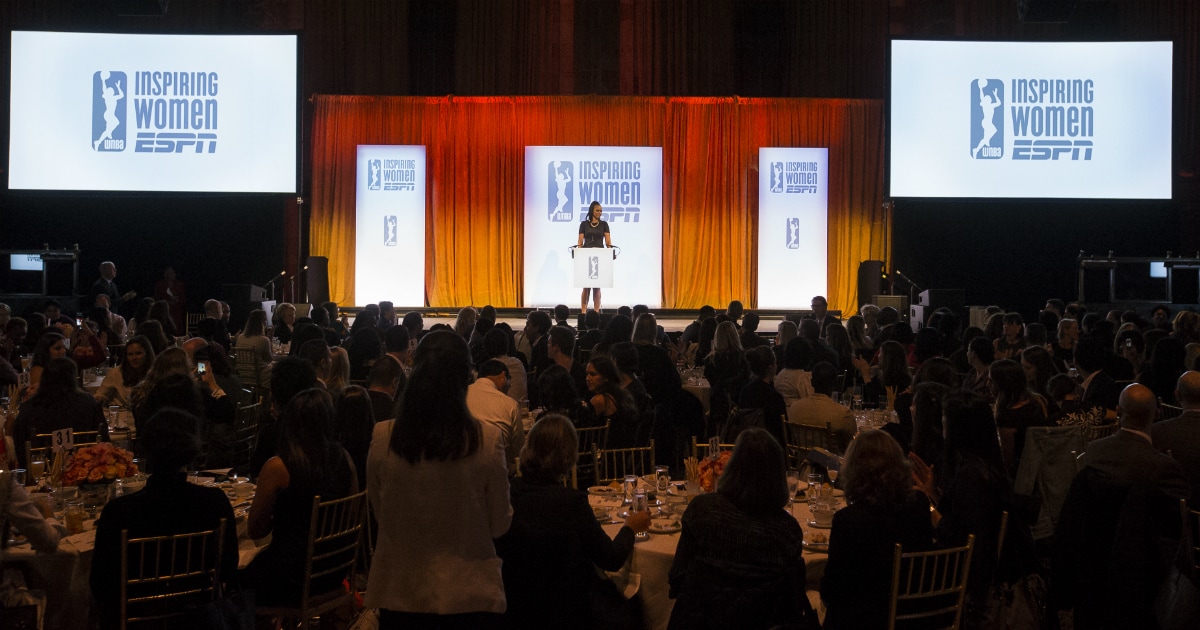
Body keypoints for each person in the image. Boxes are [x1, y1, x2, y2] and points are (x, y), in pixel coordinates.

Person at [365, 331, 512, 628]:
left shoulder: (383, 436)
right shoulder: (487, 440)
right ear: (465, 378)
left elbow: (380, 513)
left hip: (400, 592)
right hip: (468, 593)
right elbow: (500, 524)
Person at [494, 415, 649, 629]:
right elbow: (611, 558)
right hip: (566, 610)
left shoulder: (507, 493)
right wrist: (631, 527)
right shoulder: (571, 503)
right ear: (568, 456)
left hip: (516, 604)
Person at [90, 408, 239, 629]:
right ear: (193, 450)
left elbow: (99, 585)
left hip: (135, 620)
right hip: (196, 619)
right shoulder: (215, 503)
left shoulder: (118, 512)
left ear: (146, 450)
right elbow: (228, 568)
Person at [667, 428, 816, 629]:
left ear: (732, 467)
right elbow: (790, 604)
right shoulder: (788, 532)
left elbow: (677, 580)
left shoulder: (701, 511)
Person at [243, 388, 357, 607]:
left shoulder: (278, 467)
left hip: (291, 575)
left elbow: (255, 529)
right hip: (334, 569)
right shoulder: (345, 459)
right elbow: (351, 516)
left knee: (234, 582)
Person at [822, 430, 935, 629]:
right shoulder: (919, 506)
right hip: (916, 617)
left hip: (865, 621)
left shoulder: (847, 520)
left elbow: (832, 591)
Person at [13, 357, 106, 466]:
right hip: (83, 466)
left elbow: (20, 445)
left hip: (40, 468)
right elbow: (103, 439)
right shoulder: (88, 403)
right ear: (72, 378)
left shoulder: (29, 407)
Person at [467, 359, 524, 472]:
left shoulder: (462, 394)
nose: (510, 386)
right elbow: (517, 450)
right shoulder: (510, 404)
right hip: (497, 472)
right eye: (509, 381)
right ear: (503, 376)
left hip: (463, 470)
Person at [586, 355, 639, 448]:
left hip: (606, 452)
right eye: (587, 374)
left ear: (606, 377)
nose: (588, 378)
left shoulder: (600, 400)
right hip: (624, 449)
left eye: (593, 374)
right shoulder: (622, 394)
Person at [94, 334, 154, 407]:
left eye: (138, 353)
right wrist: (99, 399)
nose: (134, 358)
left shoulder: (155, 373)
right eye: (130, 354)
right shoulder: (116, 373)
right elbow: (100, 394)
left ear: (147, 354)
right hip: (122, 414)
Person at [577, 201, 613, 313]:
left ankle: (596, 312)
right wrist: (579, 253)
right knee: (586, 286)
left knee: (597, 286)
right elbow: (580, 242)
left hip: (600, 256)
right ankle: (583, 312)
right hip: (586, 256)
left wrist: (611, 251)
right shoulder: (584, 224)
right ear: (592, 210)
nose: (600, 213)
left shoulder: (604, 224)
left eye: (601, 211)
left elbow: (608, 241)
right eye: (597, 210)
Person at [233, 309, 274, 389]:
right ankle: (267, 398)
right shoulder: (264, 339)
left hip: (242, 373)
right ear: (263, 323)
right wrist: (270, 341)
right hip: (258, 374)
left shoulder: (240, 337)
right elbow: (269, 359)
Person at [153, 266, 187, 333]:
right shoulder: (160, 285)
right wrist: (167, 302)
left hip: (177, 312)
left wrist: (177, 301)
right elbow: (156, 299)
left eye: (171, 273)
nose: (170, 275)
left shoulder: (180, 284)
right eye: (168, 273)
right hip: (164, 312)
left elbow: (183, 298)